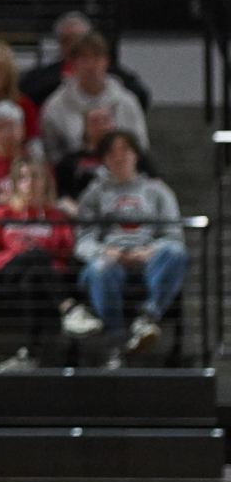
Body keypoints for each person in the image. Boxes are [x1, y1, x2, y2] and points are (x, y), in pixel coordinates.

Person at [73, 130, 187, 360]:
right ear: (104, 159)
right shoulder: (93, 195)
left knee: (175, 253)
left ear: (136, 155)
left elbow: (174, 235)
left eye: (125, 150)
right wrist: (107, 252)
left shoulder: (158, 192)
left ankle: (147, 318)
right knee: (100, 268)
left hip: (149, 260)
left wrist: (148, 252)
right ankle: (114, 343)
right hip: (109, 260)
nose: (119, 157)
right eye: (112, 152)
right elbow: (82, 240)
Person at [0, 158, 100, 372]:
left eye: (36, 176)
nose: (31, 182)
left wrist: (42, 266)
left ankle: (29, 354)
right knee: (35, 256)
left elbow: (66, 256)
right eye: (24, 177)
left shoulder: (57, 216)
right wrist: (25, 256)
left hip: (43, 279)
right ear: (16, 183)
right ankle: (69, 310)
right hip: (8, 275)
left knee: (34, 276)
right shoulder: (2, 214)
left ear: (46, 181)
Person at [39, 32, 151, 157]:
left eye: (96, 57)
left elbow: (141, 147)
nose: (91, 65)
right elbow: (52, 155)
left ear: (106, 61)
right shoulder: (54, 107)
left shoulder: (127, 102)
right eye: (84, 59)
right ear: (73, 63)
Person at [20, 12, 152, 110]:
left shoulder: (112, 73)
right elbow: (25, 95)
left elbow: (141, 95)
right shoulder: (43, 76)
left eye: (78, 39)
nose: (72, 45)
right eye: (66, 40)